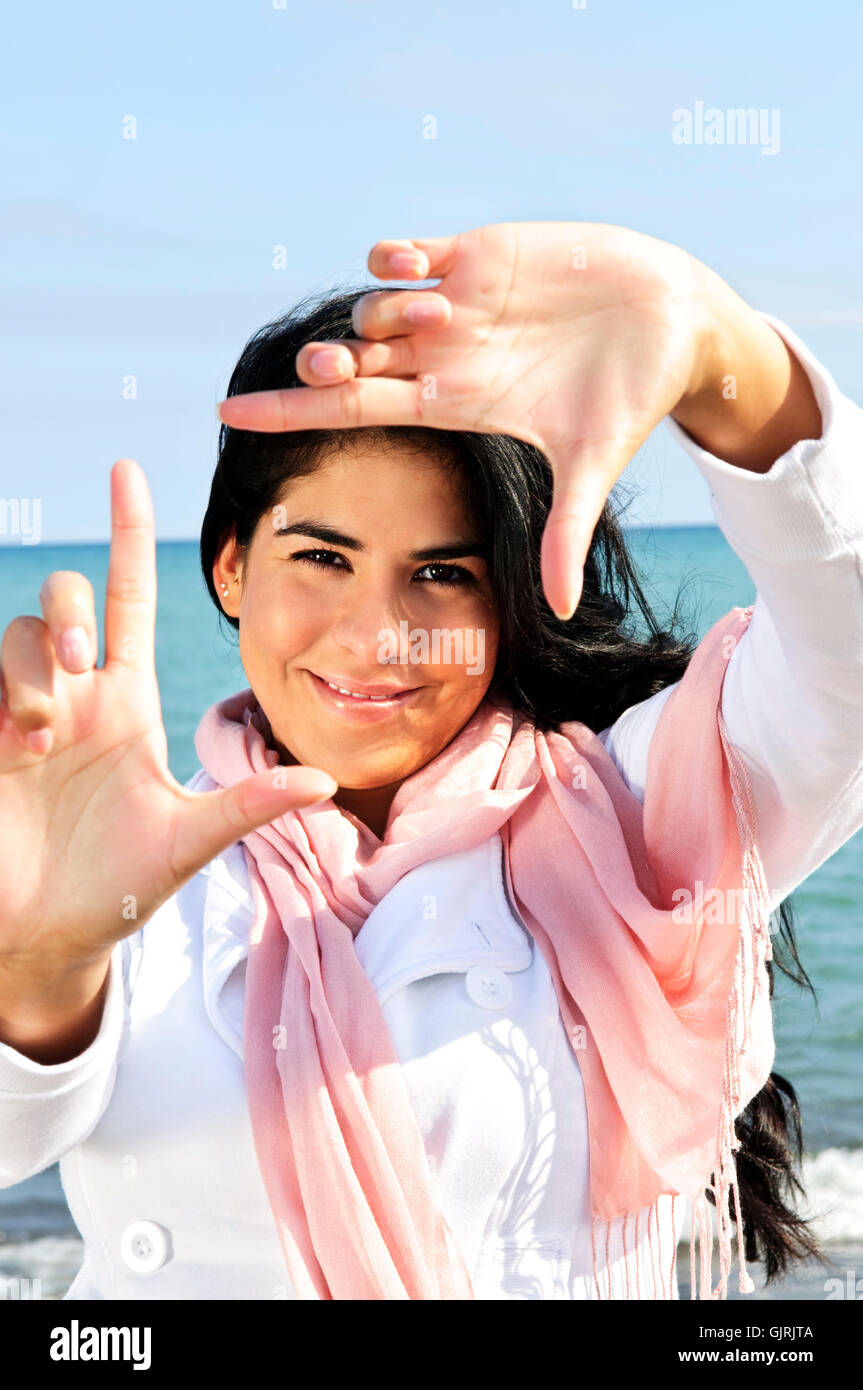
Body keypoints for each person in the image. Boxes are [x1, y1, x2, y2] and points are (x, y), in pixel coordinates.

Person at [1, 221, 861, 1301]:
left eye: (441, 573)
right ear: (229, 569)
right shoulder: (131, 869)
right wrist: (34, 966)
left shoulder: (639, 816)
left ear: (505, 592)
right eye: (322, 557)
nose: (378, 635)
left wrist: (717, 351)